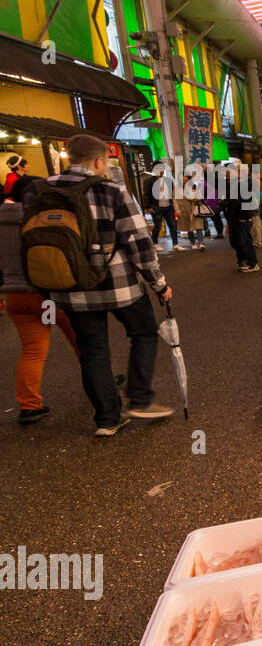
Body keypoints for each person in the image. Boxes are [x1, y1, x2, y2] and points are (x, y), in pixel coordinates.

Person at [44, 135, 174, 437]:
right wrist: (159, 284)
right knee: (144, 333)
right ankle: (140, 398)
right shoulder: (111, 192)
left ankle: (106, 419)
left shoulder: (45, 190)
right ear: (100, 161)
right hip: (116, 285)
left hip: (69, 287)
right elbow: (140, 244)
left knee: (92, 349)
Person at [0, 194, 79, 424]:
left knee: (32, 351)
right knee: (82, 340)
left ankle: (29, 405)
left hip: (15, 296)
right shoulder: (41, 219)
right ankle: (101, 382)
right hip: (45, 296)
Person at [222, 165, 259, 273]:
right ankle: (242, 261)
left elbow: (247, 201)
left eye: (228, 171)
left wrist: (244, 217)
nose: (226, 173)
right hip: (233, 218)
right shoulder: (229, 185)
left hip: (242, 218)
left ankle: (253, 263)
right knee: (236, 242)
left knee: (245, 241)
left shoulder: (241, 184)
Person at [147, 168, 180, 248]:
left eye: (162, 169)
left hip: (169, 206)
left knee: (173, 225)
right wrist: (148, 206)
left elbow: (173, 192)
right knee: (157, 226)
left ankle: (175, 244)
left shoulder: (168, 180)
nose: (161, 171)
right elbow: (146, 194)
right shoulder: (149, 181)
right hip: (157, 207)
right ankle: (155, 243)